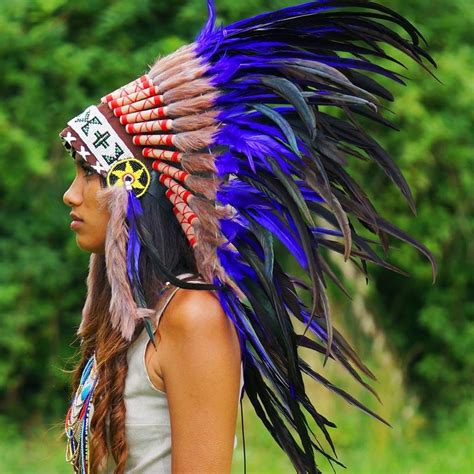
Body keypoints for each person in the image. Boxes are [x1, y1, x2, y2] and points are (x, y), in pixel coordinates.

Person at [60, 1, 437, 473]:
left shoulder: (194, 318)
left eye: (87, 172)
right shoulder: (132, 320)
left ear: (133, 184)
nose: (70, 195)